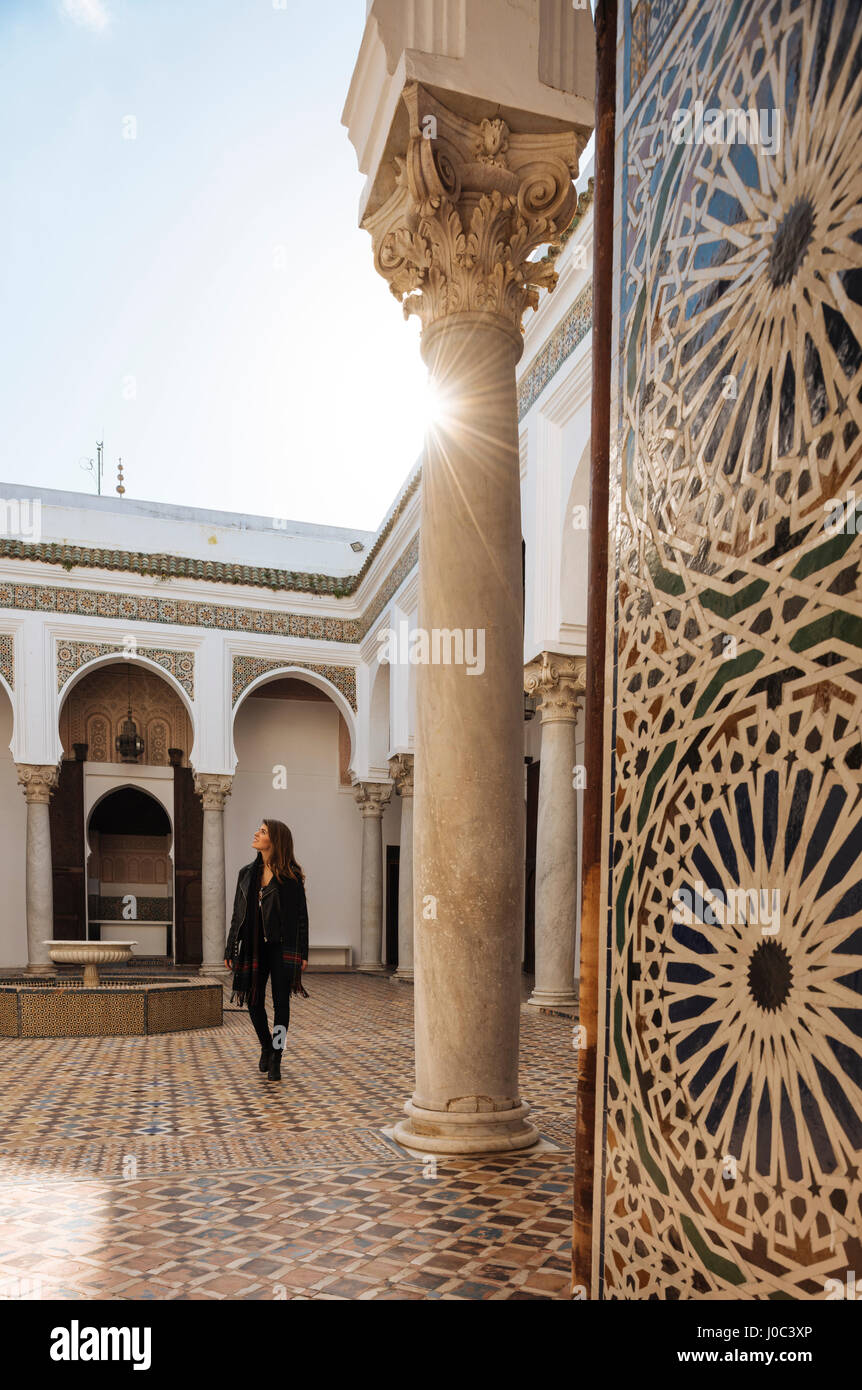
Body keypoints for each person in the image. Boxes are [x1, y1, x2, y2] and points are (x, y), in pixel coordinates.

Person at [224, 819, 308, 1081]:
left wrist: (303, 952)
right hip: (252, 946)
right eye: (259, 831)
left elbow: (301, 917)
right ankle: (266, 1045)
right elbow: (238, 914)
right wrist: (230, 948)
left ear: (275, 841)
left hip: (282, 947)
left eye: (262, 832)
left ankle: (277, 1056)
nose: (256, 833)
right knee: (253, 1001)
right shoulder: (246, 874)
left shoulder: (291, 877)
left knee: (282, 1007)